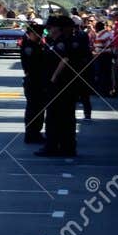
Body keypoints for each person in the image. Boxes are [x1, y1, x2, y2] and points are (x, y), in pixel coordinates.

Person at [38, 13, 90, 158]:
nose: (49, 30)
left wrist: (53, 78)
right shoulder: (58, 41)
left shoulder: (61, 43)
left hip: (61, 85)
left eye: (51, 27)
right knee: (62, 116)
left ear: (58, 28)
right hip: (63, 85)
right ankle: (63, 145)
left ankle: (55, 146)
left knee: (57, 116)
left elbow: (65, 59)